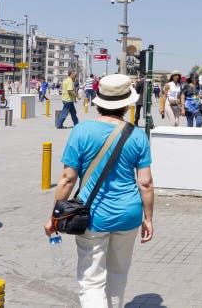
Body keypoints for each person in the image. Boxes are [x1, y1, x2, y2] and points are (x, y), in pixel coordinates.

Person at [43, 74, 154, 307]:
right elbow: (145, 183)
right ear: (126, 104)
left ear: (99, 101)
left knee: (91, 280)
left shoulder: (81, 131)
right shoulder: (137, 135)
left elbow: (67, 178)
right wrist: (149, 219)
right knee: (118, 275)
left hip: (91, 216)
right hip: (129, 214)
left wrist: (54, 215)